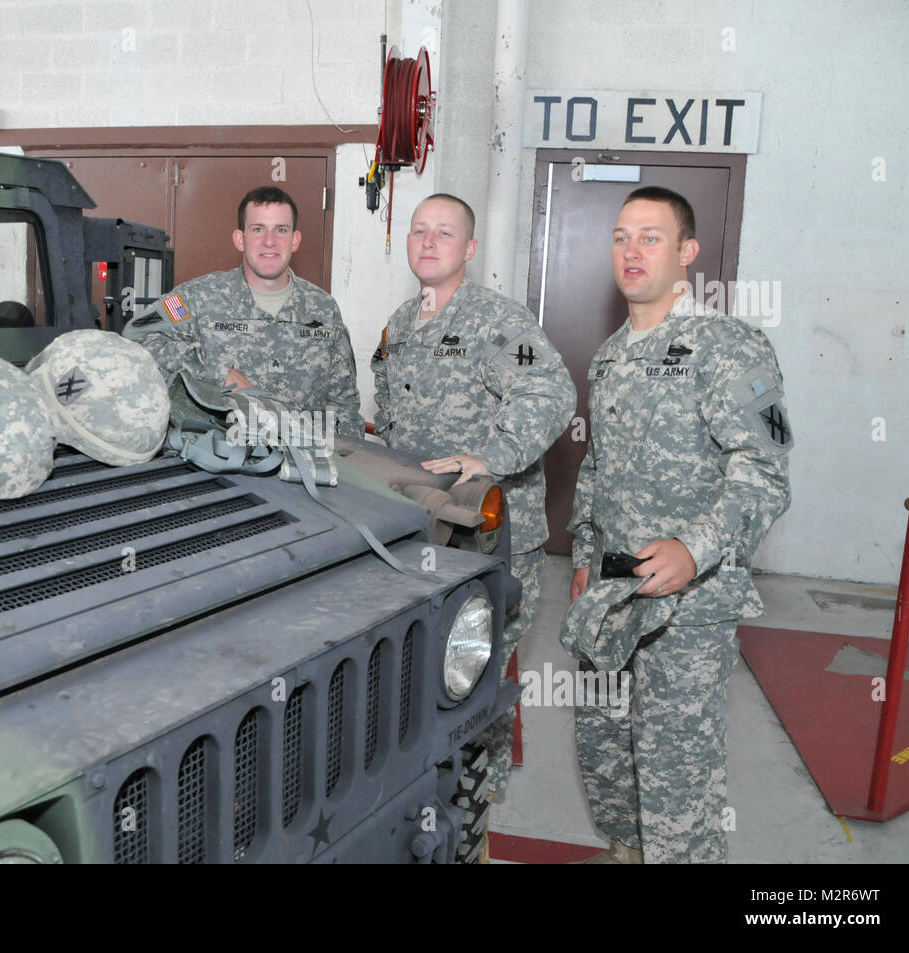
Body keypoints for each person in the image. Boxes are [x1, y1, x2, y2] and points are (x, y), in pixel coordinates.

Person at [568, 186, 792, 863]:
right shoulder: (610, 355)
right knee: (607, 755)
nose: (632, 252)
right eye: (621, 237)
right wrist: (583, 552)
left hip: (689, 606)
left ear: (687, 251)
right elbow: (594, 469)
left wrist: (694, 550)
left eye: (651, 237)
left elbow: (765, 473)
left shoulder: (732, 348)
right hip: (610, 592)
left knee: (677, 776)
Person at [371, 193, 576, 799]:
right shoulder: (401, 325)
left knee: (474, 668)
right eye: (418, 231)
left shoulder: (498, 322)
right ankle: (422, 791)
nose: (429, 242)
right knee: (425, 668)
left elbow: (550, 390)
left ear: (470, 248)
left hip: (489, 532)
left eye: (444, 233)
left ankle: (472, 805)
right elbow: (388, 406)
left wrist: (492, 457)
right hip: (421, 527)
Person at [122, 186, 363, 439]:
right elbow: (136, 334)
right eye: (258, 229)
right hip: (222, 459)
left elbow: (344, 404)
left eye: (281, 230)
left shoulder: (323, 309)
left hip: (300, 463)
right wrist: (217, 371)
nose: (269, 241)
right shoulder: (199, 297)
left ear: (295, 240)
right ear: (240, 239)